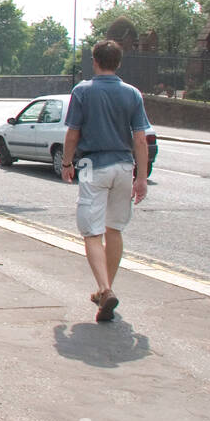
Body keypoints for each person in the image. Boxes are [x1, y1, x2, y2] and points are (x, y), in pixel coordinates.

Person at [62, 39, 150, 322]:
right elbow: (140, 139)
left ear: (95, 61)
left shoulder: (82, 91)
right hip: (124, 166)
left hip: (91, 165)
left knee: (91, 232)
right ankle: (105, 294)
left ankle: (104, 288)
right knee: (115, 229)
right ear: (119, 62)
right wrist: (141, 178)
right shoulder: (132, 94)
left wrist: (66, 163)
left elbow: (73, 133)